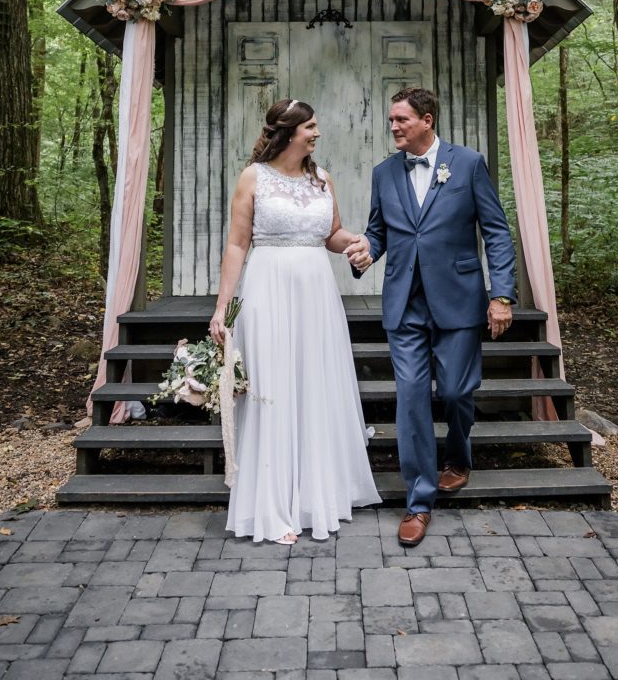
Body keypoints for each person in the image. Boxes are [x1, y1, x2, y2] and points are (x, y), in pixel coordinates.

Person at [346, 87, 515, 548]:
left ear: (427, 119)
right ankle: (418, 502)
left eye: (401, 119)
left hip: (459, 299)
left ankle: (458, 459)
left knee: (459, 390)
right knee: (412, 397)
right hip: (405, 304)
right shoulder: (383, 173)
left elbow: (496, 232)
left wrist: (501, 295)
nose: (394, 127)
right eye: (391, 120)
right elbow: (379, 230)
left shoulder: (467, 163)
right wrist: (364, 252)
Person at [210, 98, 381, 544]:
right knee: (274, 390)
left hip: (317, 297)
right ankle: (271, 508)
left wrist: (356, 243)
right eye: (311, 126)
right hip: (268, 290)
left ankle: (313, 497)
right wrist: (222, 309)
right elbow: (236, 246)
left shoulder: (322, 179)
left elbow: (331, 234)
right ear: (288, 132)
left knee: (312, 387)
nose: (317, 133)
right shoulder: (253, 178)